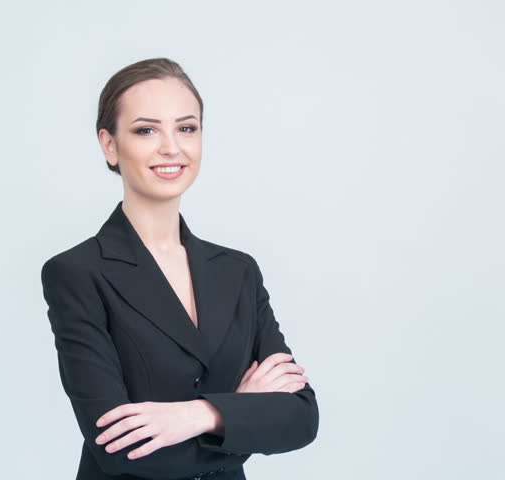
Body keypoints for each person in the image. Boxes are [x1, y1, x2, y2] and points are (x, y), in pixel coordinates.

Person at [40, 58, 319, 480]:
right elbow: (120, 450)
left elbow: (300, 418)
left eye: (186, 128)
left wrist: (199, 415)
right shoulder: (77, 273)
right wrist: (240, 414)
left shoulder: (238, 271)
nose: (171, 146)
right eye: (146, 129)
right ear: (109, 144)